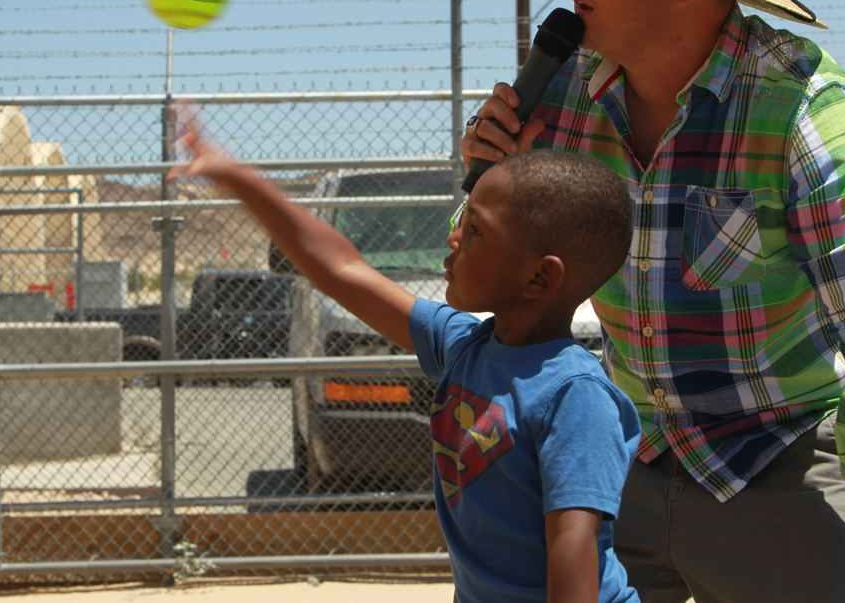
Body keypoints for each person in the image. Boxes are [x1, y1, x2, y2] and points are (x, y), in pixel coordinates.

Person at [461, 0, 845, 601]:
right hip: (625, 457)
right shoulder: (561, 100)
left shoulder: (801, 105)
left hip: (775, 462)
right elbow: (483, 283)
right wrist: (493, 187)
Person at [168, 108, 641, 603]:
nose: (453, 238)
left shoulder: (576, 398)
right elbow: (342, 268)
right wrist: (238, 176)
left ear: (539, 278)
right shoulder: (464, 345)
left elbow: (573, 544)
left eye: (475, 229)